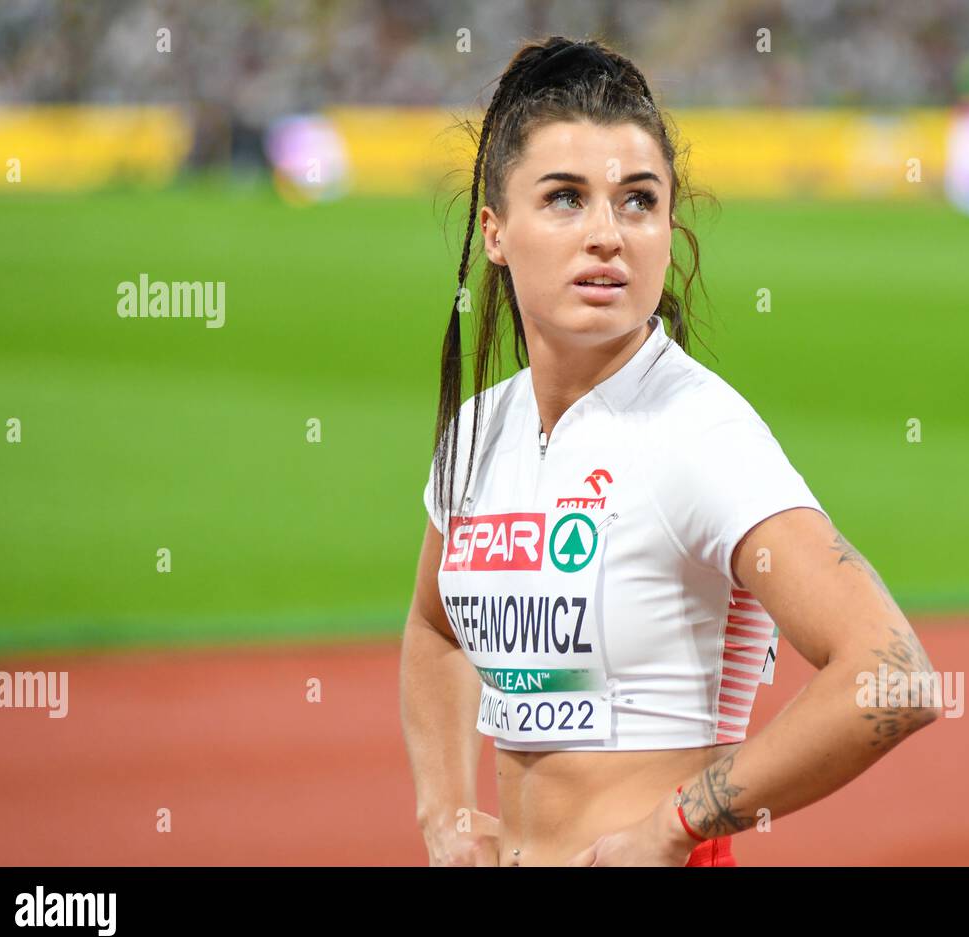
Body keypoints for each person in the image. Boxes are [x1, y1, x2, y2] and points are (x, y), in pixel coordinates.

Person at [400, 35, 940, 867]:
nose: (608, 234)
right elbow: (436, 625)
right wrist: (444, 814)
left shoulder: (696, 434)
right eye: (566, 199)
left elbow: (891, 674)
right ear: (495, 232)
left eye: (638, 201)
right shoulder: (481, 430)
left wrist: (672, 828)